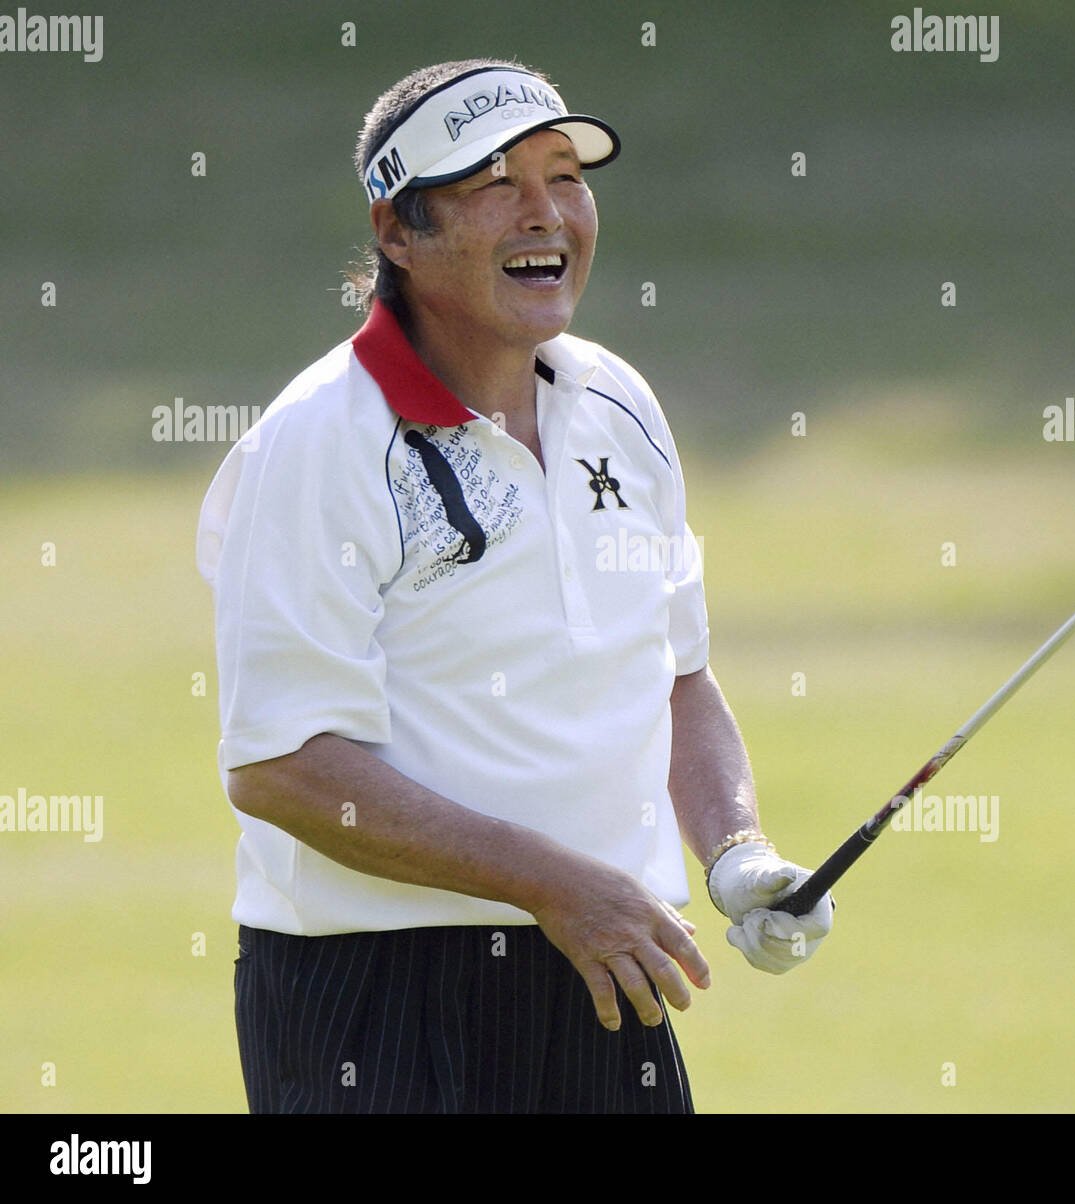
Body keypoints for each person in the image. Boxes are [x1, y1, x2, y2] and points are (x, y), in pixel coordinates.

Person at [196, 58, 833, 1114]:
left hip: (603, 965)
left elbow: (676, 678)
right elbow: (282, 767)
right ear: (398, 231)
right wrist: (554, 884)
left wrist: (735, 854)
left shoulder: (618, 401)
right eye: (495, 184)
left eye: (563, 176)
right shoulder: (318, 442)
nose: (546, 213)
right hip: (377, 994)